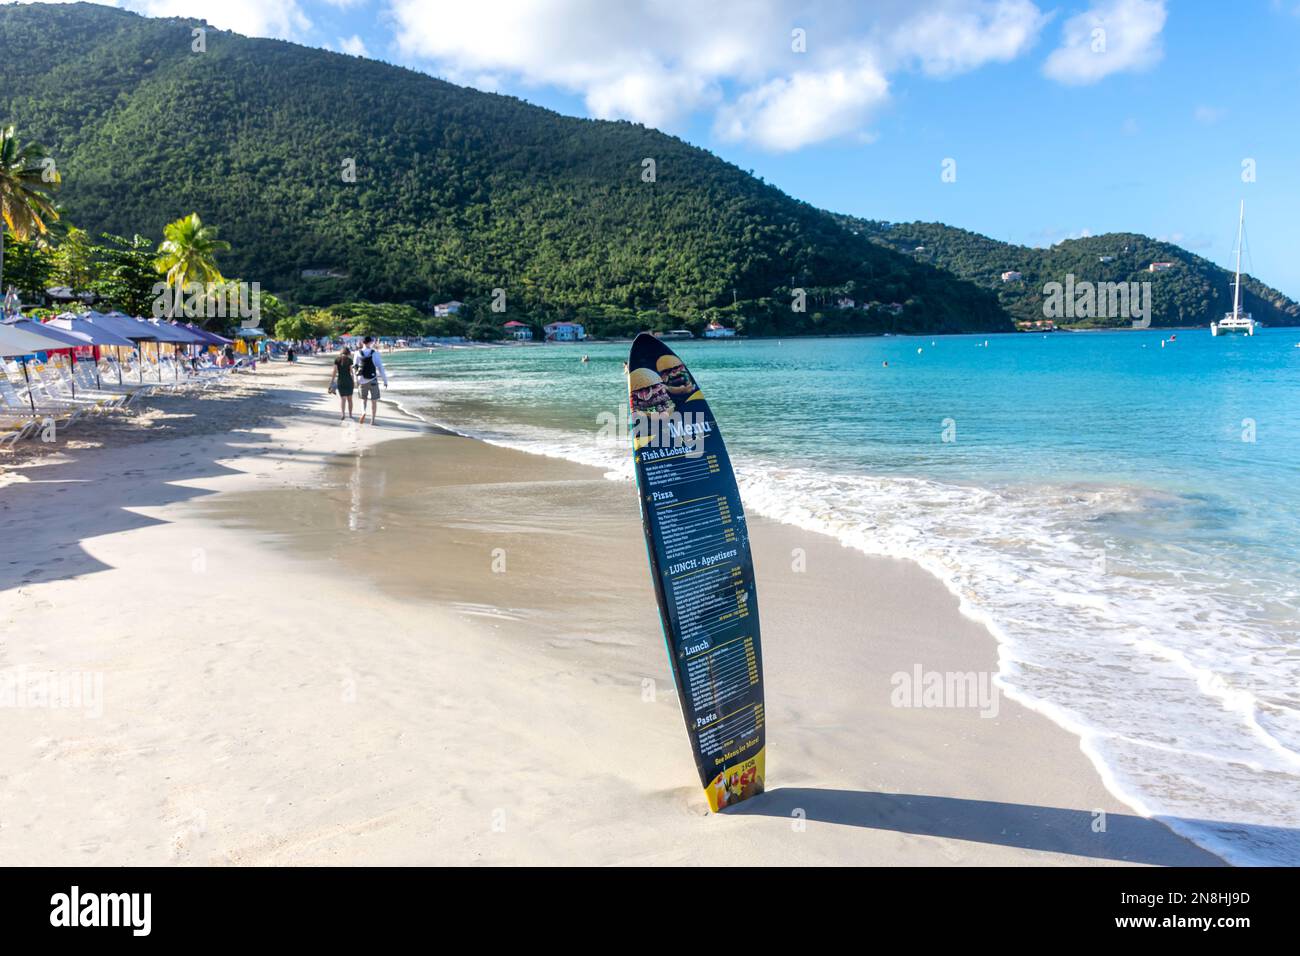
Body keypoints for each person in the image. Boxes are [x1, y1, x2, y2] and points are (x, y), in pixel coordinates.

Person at [353, 336, 388, 425]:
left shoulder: (357, 353)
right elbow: (380, 367)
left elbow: (355, 367)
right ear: (370, 342)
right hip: (372, 379)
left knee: (363, 399)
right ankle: (372, 421)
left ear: (363, 342)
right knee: (374, 401)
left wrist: (355, 379)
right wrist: (385, 381)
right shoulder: (374, 353)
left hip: (361, 380)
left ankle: (363, 412)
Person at [329, 346, 355, 421]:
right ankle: (350, 415)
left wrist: (332, 381)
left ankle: (343, 414)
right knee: (350, 399)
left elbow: (334, 372)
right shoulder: (350, 360)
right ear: (348, 353)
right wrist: (353, 382)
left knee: (343, 399)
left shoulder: (337, 360)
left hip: (341, 381)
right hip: (348, 381)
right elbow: (352, 372)